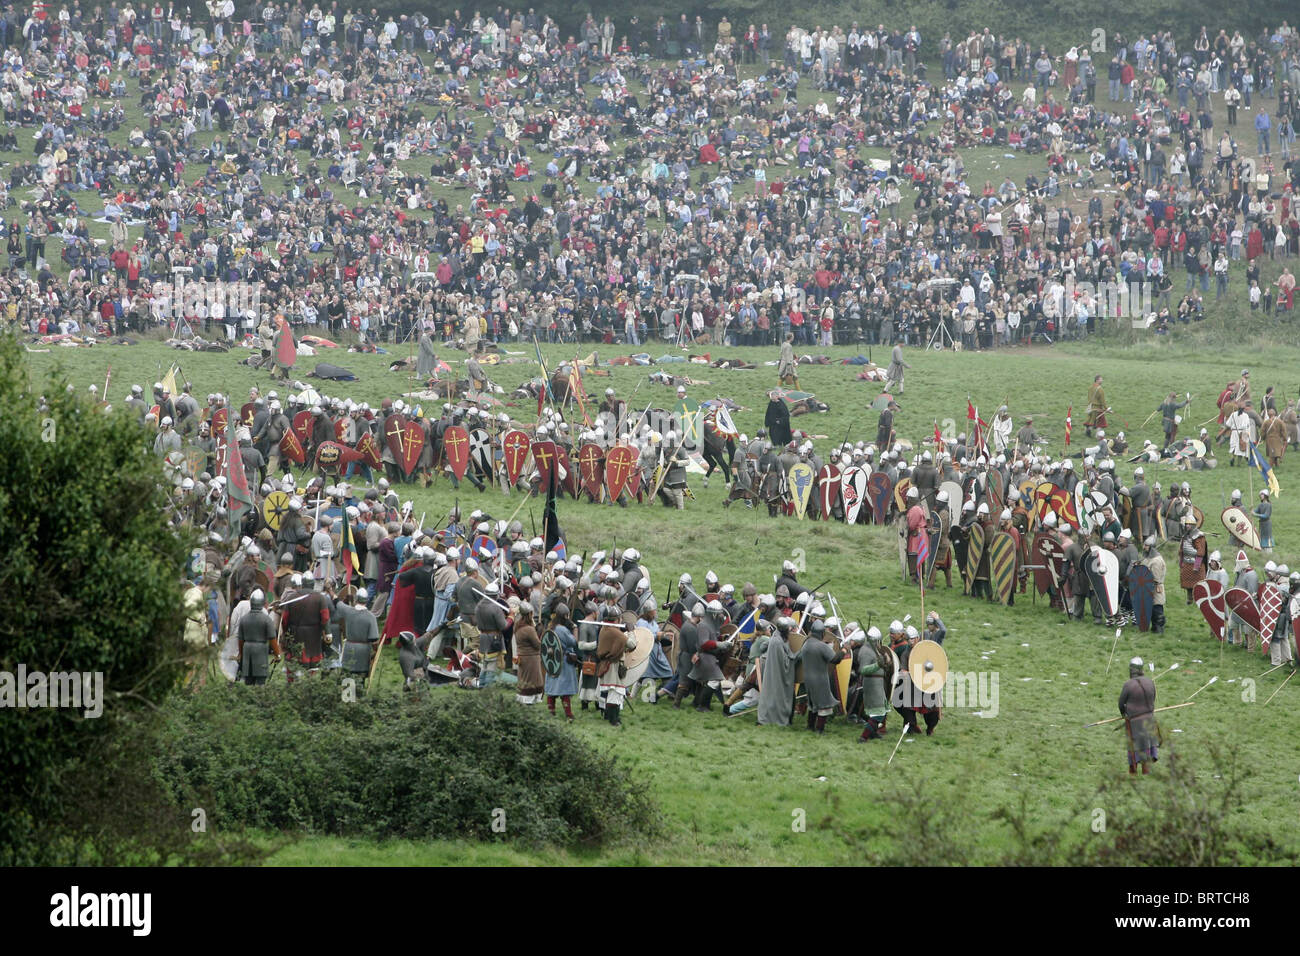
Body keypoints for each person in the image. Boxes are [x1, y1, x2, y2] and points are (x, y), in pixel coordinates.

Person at [793, 621, 845, 733]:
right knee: (824, 705)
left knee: (813, 704)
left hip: (808, 679)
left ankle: (810, 726)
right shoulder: (821, 646)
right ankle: (819, 729)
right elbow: (835, 660)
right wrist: (843, 651)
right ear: (822, 633)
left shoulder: (806, 644)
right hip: (820, 680)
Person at [1119, 656, 1159, 775]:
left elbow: (1121, 703)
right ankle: (1146, 771)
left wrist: (1123, 714)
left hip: (1134, 722)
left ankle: (1133, 772)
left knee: (1134, 747)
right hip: (1149, 719)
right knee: (1147, 744)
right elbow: (1153, 699)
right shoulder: (1150, 682)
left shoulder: (1128, 684)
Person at [544, 600, 580, 719]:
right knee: (565, 690)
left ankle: (551, 711)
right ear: (565, 616)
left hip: (552, 661)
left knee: (552, 689)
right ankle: (568, 714)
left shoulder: (550, 626)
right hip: (563, 662)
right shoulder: (562, 630)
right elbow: (573, 642)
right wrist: (575, 629)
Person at [235, 588, 277, 685]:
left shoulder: (244, 619)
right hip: (260, 650)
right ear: (262, 603)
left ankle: (250, 698)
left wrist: (241, 654)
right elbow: (272, 638)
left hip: (247, 649)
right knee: (260, 682)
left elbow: (240, 640)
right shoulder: (266, 619)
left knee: (248, 681)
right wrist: (277, 654)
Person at [513, 603, 544, 705]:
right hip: (531, 660)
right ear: (530, 614)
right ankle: (529, 703)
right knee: (531, 684)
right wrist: (539, 633)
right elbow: (537, 645)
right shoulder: (529, 629)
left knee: (524, 682)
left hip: (523, 658)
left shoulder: (518, 626)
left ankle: (525, 702)